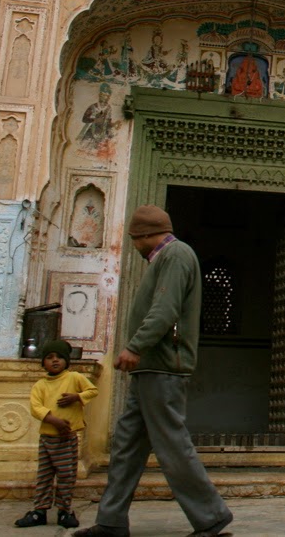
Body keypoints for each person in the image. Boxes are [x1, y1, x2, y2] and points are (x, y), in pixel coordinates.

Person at [74, 205, 233, 537]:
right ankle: (111, 521)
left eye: (134, 239)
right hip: (151, 369)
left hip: (163, 366)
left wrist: (135, 346)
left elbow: (165, 309)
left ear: (144, 235)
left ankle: (211, 515)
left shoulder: (175, 256)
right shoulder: (165, 258)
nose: (134, 245)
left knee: (172, 444)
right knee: (127, 446)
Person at [14, 339, 98, 529]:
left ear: (67, 361)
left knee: (66, 475)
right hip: (47, 438)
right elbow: (35, 408)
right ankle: (39, 511)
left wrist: (77, 396)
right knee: (44, 475)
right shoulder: (40, 385)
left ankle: (64, 511)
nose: (55, 361)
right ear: (43, 362)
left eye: (59, 357)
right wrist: (53, 420)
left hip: (67, 438)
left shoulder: (74, 378)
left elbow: (92, 391)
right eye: (50, 357)